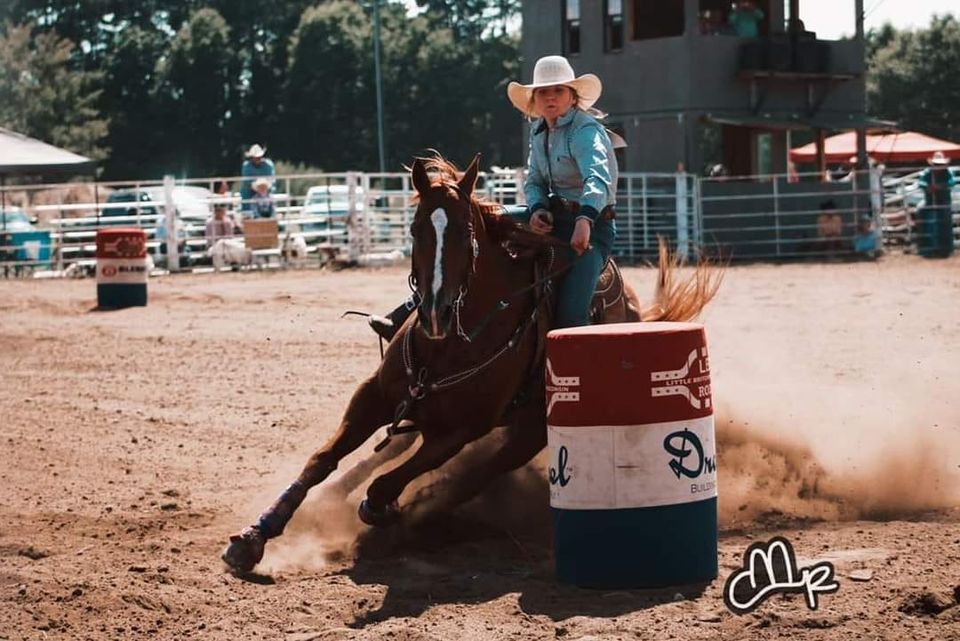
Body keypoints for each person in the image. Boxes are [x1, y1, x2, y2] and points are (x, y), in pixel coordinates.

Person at [367, 55, 618, 340]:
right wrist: (536, 209)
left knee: (570, 314)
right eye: (544, 92)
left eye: (558, 91)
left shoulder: (585, 132)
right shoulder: (540, 134)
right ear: (535, 100)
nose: (551, 98)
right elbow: (534, 180)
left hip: (592, 227)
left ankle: (578, 371)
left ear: (572, 97)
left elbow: (597, 178)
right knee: (476, 222)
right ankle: (416, 302)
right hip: (554, 215)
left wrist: (585, 219)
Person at [916, 151, 956, 257]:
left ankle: (946, 247)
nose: (938, 167)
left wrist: (940, 186)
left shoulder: (948, 172)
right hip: (929, 201)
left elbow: (952, 182)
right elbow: (920, 182)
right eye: (936, 164)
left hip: (943, 201)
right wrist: (927, 187)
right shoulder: (927, 173)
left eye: (940, 164)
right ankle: (923, 244)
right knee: (919, 211)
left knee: (945, 216)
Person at [240, 144, 275, 214]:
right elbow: (247, 182)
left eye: (259, 157)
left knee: (270, 197)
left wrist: (263, 188)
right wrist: (257, 187)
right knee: (246, 193)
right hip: (250, 191)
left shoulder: (268, 165)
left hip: (266, 189)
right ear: (251, 157)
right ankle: (248, 213)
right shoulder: (246, 166)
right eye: (256, 157)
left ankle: (271, 214)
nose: (258, 159)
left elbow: (271, 180)